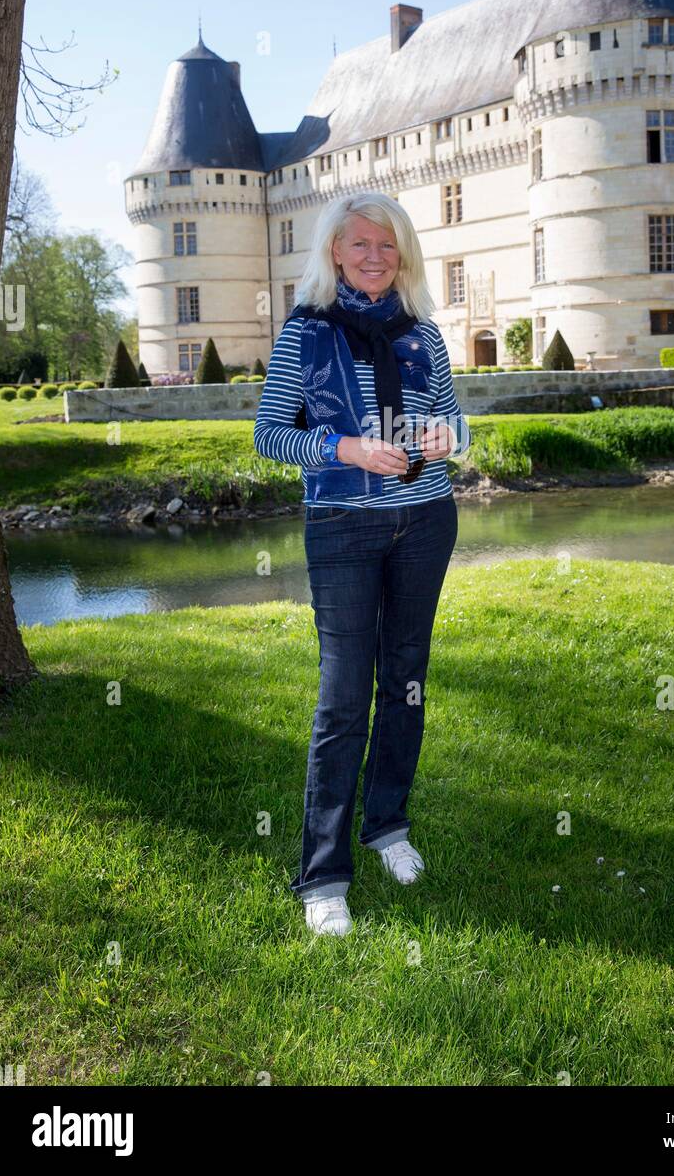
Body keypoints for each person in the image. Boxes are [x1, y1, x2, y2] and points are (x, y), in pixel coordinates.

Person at [254, 192, 470, 936]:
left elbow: (453, 415)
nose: (374, 256)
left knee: (405, 680)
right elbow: (269, 434)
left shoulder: (426, 336)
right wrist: (343, 448)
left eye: (387, 245)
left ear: (403, 254)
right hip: (343, 525)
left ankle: (388, 827)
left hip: (425, 519)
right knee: (344, 695)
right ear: (335, 253)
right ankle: (323, 876)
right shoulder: (305, 334)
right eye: (359, 245)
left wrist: (449, 437)